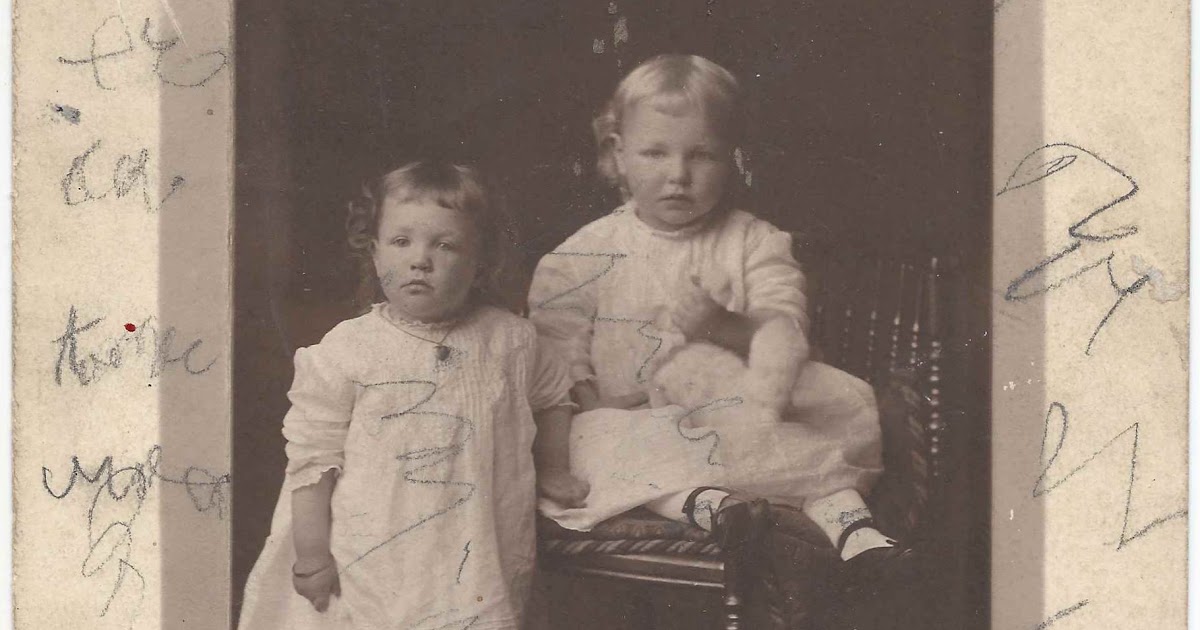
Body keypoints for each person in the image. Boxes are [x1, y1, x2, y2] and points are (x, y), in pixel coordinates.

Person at [527, 54, 915, 600]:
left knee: (827, 409)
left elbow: (785, 331)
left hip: (739, 416)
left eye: (701, 154)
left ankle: (853, 527)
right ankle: (711, 506)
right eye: (655, 152)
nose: (678, 174)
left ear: (732, 159)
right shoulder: (579, 257)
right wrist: (593, 406)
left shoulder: (756, 242)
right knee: (595, 440)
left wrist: (721, 325)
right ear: (617, 156)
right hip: (632, 423)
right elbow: (555, 362)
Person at [239, 161, 589, 629]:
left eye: (444, 245)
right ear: (376, 252)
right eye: (402, 242)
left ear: (480, 260)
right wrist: (312, 556)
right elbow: (311, 461)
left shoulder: (511, 341)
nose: (420, 259)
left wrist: (554, 467)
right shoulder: (348, 350)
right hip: (377, 551)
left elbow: (553, 395)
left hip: (479, 551)